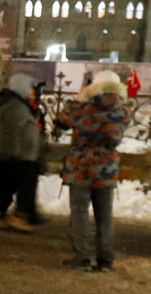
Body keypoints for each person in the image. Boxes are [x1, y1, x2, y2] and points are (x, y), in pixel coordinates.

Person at [54, 68, 129, 272]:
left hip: (81, 169)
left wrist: (81, 96)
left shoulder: (85, 109)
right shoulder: (121, 112)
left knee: (79, 214)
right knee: (104, 216)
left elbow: (64, 117)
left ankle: (82, 257)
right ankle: (105, 259)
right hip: (107, 169)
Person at [0, 72, 44, 231]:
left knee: (7, 186)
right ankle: (13, 216)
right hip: (19, 155)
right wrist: (17, 154)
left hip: (20, 154)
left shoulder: (19, 105)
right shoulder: (15, 106)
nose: (33, 91)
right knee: (18, 186)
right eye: (31, 88)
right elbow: (14, 133)